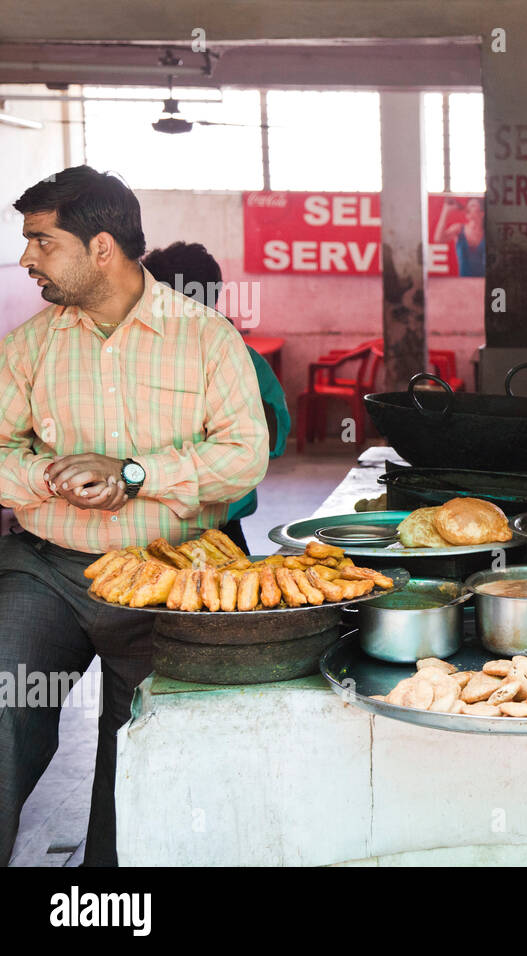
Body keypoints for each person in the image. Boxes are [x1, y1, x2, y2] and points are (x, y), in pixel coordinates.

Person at [0, 166, 268, 866]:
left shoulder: (206, 338)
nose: (26, 258)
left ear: (101, 248)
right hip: (47, 571)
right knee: (4, 704)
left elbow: (244, 457)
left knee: (148, 742)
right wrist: (48, 478)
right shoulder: (29, 347)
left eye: (41, 241)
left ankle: (109, 896)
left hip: (171, 573)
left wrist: (136, 475)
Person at [141, 241, 290, 554]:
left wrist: (229, 370)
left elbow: (268, 441)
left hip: (216, 526)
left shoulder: (239, 357)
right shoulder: (134, 356)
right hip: (148, 522)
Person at [433, 197, 485, 277]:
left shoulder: (488, 233)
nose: (468, 208)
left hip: (483, 282)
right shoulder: (459, 229)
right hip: (463, 283)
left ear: (482, 213)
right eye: (468, 205)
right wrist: (446, 211)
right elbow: (438, 239)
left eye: (473, 205)